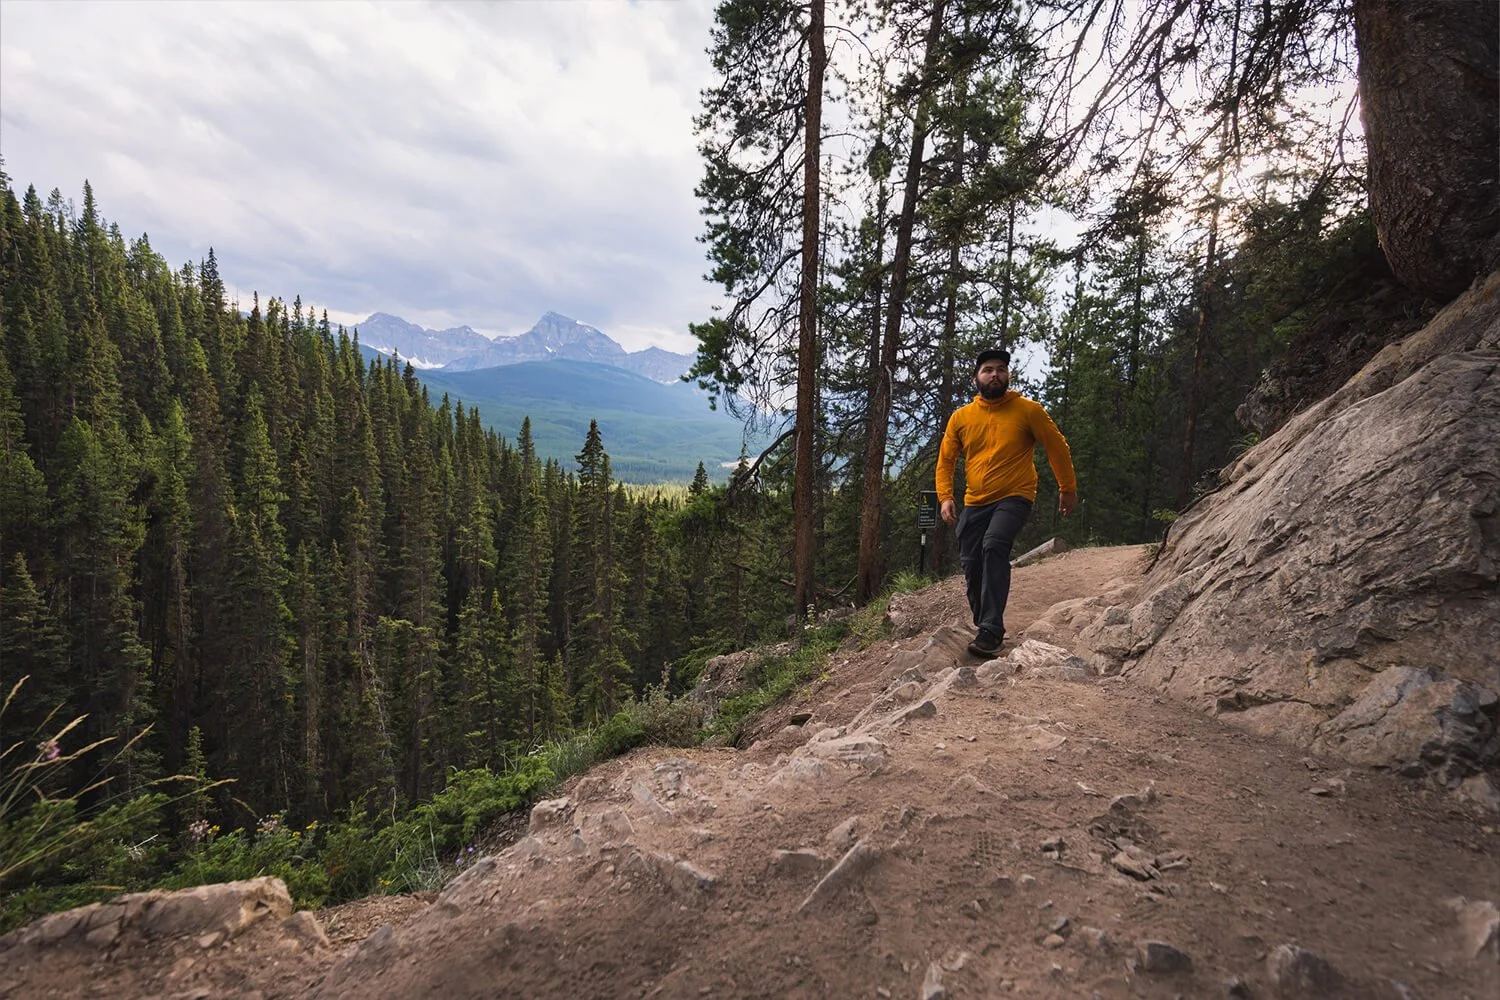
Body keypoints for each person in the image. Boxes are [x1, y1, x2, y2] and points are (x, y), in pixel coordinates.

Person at [936, 346, 1078, 658]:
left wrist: (1067, 488)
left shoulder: (1028, 410)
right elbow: (946, 461)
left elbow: (1057, 447)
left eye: (1001, 369)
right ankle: (984, 621)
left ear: (1008, 375)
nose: (995, 374)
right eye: (988, 369)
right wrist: (946, 497)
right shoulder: (961, 418)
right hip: (975, 501)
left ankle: (991, 630)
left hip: (1016, 496)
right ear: (976, 378)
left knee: (994, 545)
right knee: (971, 563)